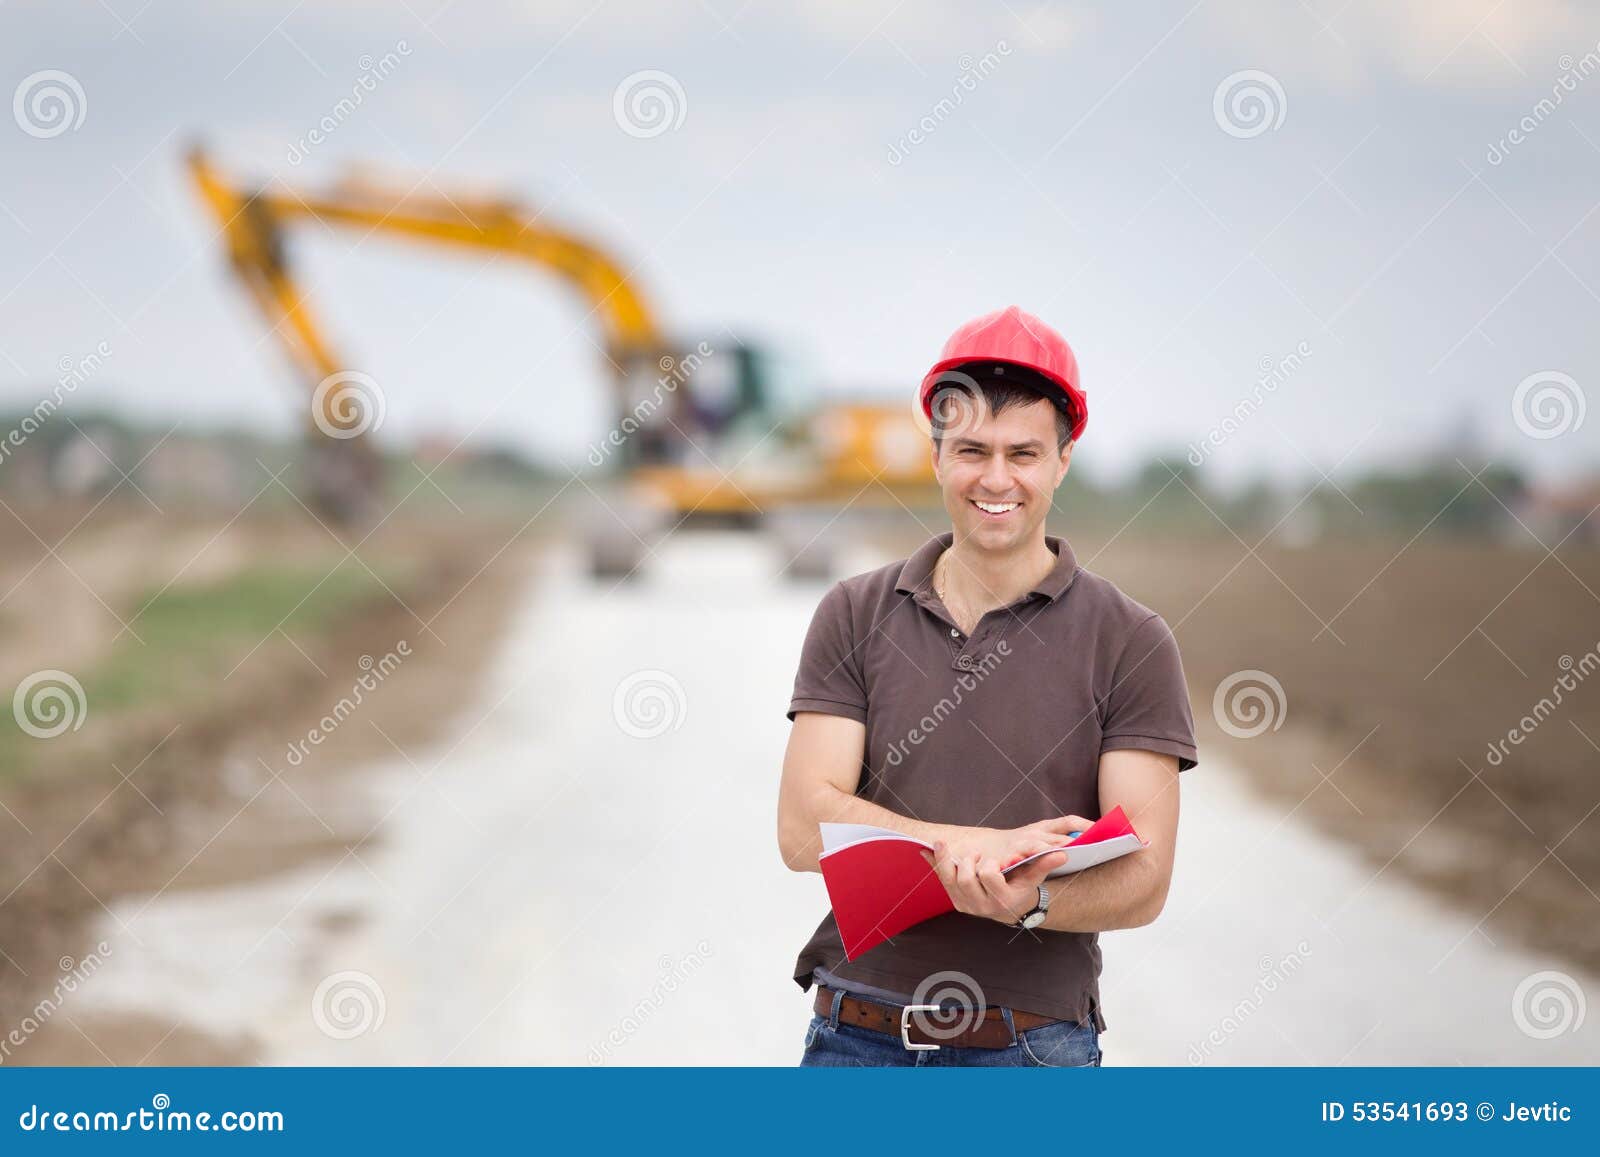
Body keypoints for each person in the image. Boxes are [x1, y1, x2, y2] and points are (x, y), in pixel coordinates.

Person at [776, 306, 1199, 1067]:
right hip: (854, 1036)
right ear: (937, 457)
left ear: (1063, 460)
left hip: (1031, 1051)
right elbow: (805, 829)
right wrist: (968, 848)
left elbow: (1145, 875)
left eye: (1023, 453)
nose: (996, 478)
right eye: (972, 449)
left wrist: (1031, 898)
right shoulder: (853, 612)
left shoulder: (1131, 640)